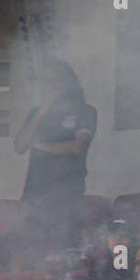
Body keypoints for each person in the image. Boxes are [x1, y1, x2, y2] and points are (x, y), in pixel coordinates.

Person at [15, 60, 96, 252]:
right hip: (34, 194)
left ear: (69, 82)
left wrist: (40, 146)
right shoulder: (36, 114)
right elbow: (19, 146)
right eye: (47, 81)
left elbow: (77, 146)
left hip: (67, 194)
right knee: (29, 247)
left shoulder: (85, 111)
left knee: (64, 248)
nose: (52, 85)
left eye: (56, 79)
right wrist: (43, 110)